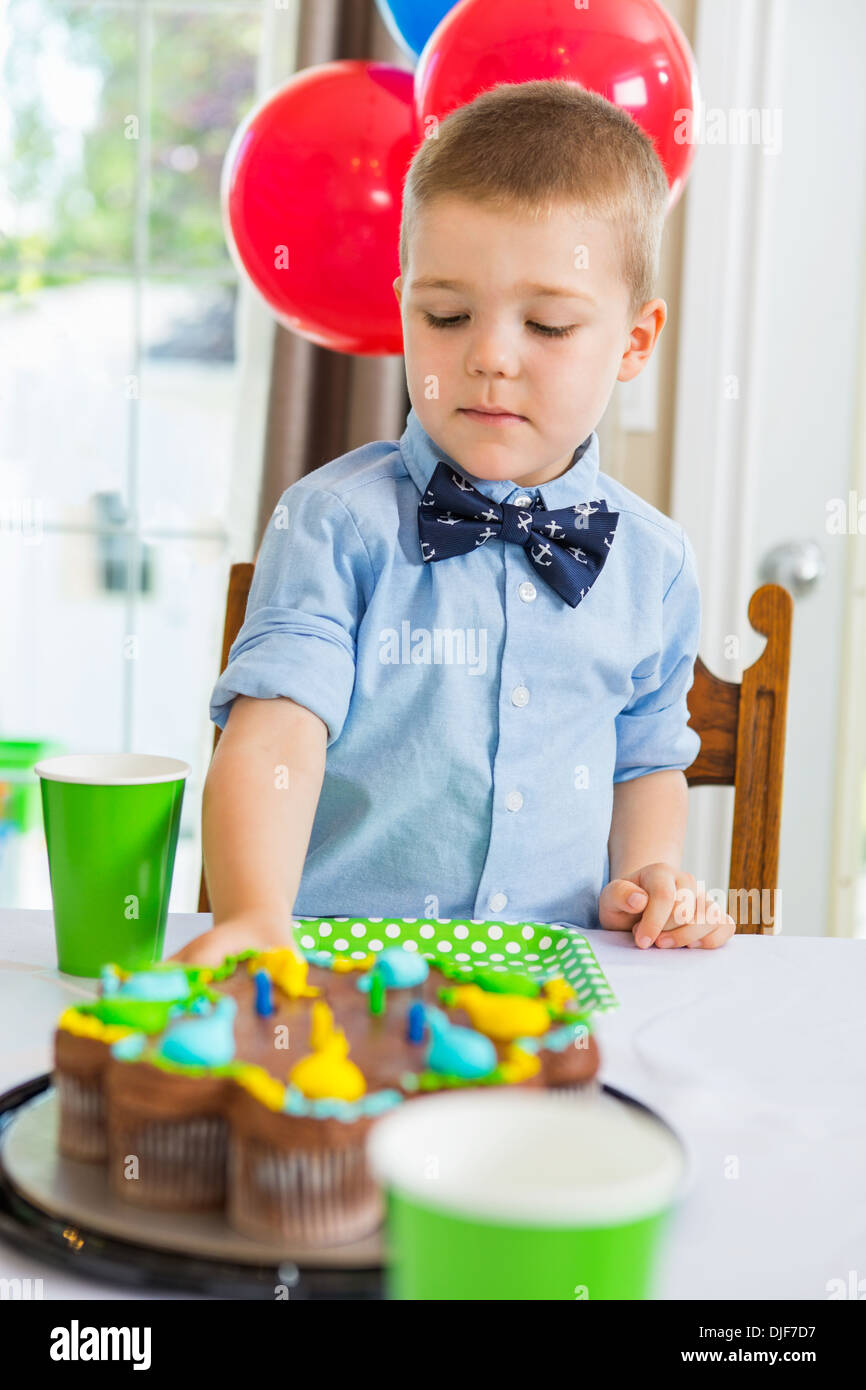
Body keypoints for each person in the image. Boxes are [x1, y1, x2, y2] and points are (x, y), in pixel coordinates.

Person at [174, 80, 735, 966]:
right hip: (341, 976)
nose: (489, 356)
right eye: (446, 316)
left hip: (554, 989)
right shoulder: (333, 524)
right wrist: (249, 919)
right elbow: (275, 733)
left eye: (547, 325)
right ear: (404, 307)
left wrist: (654, 876)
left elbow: (644, 761)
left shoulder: (655, 563)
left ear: (633, 340)